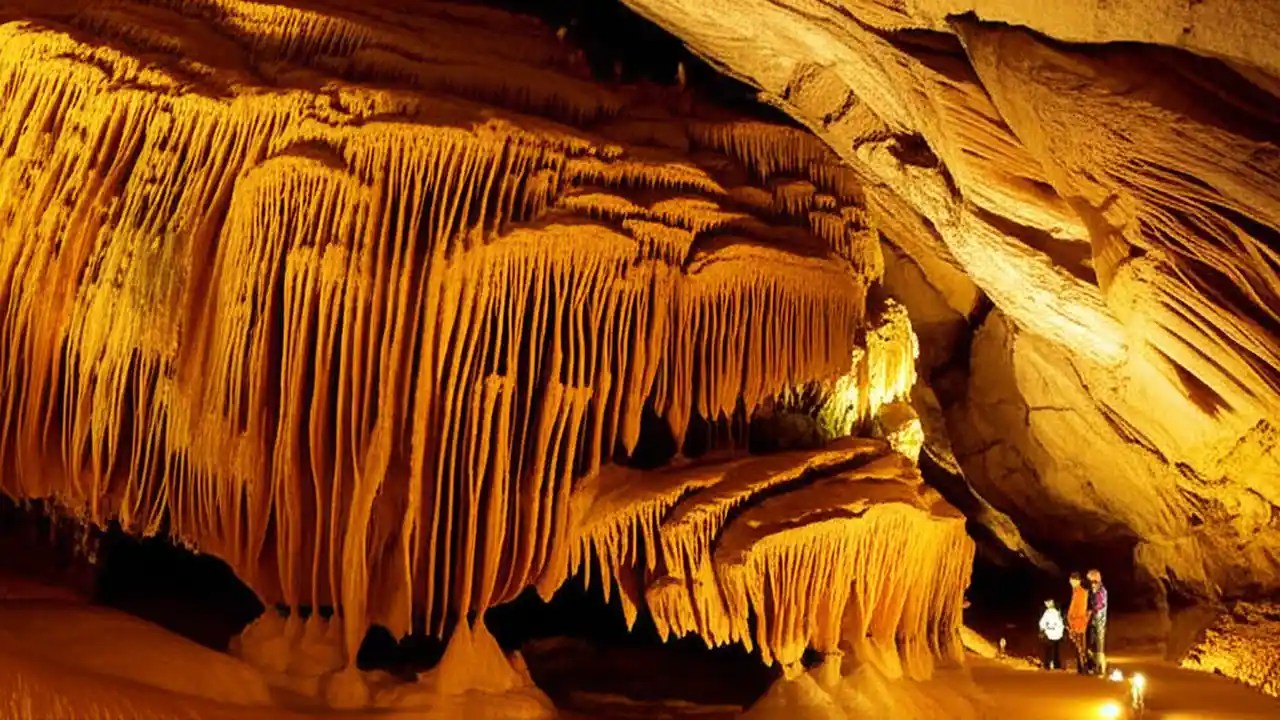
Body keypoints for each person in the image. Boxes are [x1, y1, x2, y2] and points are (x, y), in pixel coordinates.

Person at [1067, 572, 1090, 674]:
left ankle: (1084, 667)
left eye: (1072, 580)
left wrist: (1074, 619)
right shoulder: (1076, 591)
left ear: (1078, 581)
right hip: (1076, 622)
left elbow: (1080, 609)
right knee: (1079, 647)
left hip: (1079, 623)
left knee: (1081, 647)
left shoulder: (1081, 593)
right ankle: (1081, 668)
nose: (1070, 582)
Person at [1087, 568, 1109, 676]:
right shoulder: (1094, 590)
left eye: (1091, 580)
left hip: (1099, 621)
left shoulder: (1101, 591)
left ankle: (1100, 666)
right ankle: (1093, 665)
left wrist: (1094, 595)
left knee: (1099, 644)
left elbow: (1099, 605)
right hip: (1094, 621)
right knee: (1093, 642)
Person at [1038, 598, 1065, 670]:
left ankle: (1047, 664)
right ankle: (1057, 664)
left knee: (1048, 650)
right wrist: (1061, 633)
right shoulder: (1057, 612)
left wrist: (1042, 630)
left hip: (1049, 634)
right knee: (1056, 650)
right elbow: (1061, 624)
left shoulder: (1047, 613)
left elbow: (1042, 623)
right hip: (1057, 635)